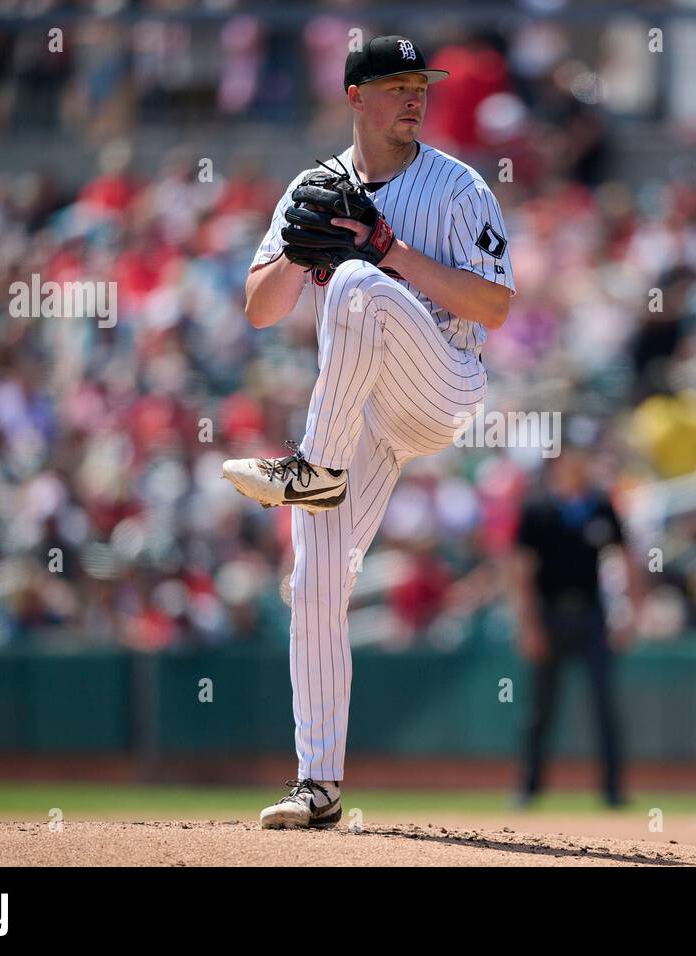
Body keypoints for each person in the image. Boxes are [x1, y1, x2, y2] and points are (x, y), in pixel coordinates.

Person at [222, 35, 515, 828]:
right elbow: (260, 308)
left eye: (421, 84)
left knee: (355, 278)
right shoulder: (314, 186)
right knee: (316, 577)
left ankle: (311, 467)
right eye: (396, 84)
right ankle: (318, 787)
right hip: (364, 415)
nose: (415, 97)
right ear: (355, 96)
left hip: (441, 382)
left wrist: (389, 249)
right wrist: (293, 252)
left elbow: (494, 307)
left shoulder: (455, 186)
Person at [509, 440, 644, 808]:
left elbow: (627, 557)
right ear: (560, 461)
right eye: (575, 455)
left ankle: (613, 791)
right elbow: (521, 570)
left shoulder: (600, 505)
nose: (581, 463)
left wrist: (631, 612)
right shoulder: (537, 507)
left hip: (591, 615)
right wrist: (528, 624)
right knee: (540, 709)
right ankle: (529, 788)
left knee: (604, 705)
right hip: (549, 615)